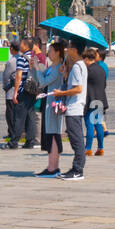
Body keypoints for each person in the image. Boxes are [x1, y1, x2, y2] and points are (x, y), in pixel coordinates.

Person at [49, 40, 89, 181]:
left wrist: (60, 93)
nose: (67, 49)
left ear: (74, 50)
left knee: (76, 140)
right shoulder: (79, 66)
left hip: (74, 108)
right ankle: (76, 168)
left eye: (70, 47)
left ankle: (78, 170)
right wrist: (65, 74)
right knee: (74, 139)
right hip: (74, 107)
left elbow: (78, 89)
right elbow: (74, 85)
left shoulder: (78, 66)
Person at [34, 40, 67, 177]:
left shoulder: (59, 67)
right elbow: (40, 78)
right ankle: (51, 166)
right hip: (48, 103)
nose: (49, 53)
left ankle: (53, 168)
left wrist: (36, 67)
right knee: (50, 134)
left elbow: (43, 82)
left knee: (53, 134)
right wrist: (34, 67)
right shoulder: (52, 67)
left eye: (51, 50)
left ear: (58, 52)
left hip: (54, 105)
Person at [2, 38, 33, 149]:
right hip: (32, 89)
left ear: (25, 45)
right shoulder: (33, 57)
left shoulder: (21, 58)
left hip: (23, 90)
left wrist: (15, 92)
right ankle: (30, 141)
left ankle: (13, 142)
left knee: (18, 117)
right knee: (30, 116)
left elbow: (18, 76)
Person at [83, 47, 108, 157]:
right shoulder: (101, 69)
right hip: (100, 99)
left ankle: (88, 148)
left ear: (88, 58)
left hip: (90, 100)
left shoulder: (88, 70)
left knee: (89, 126)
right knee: (98, 125)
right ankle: (100, 148)